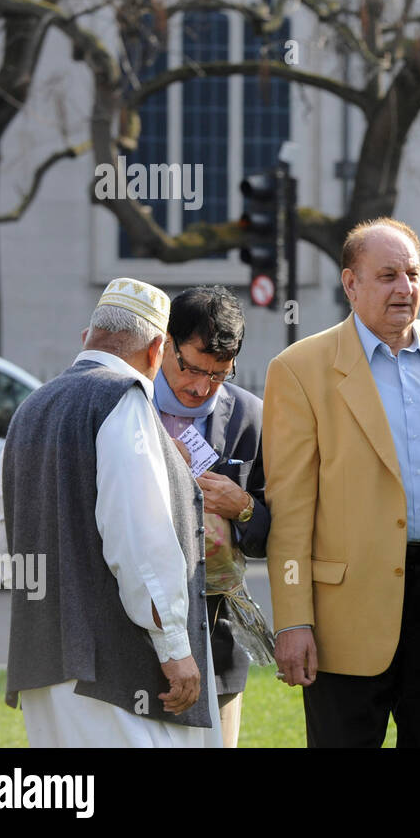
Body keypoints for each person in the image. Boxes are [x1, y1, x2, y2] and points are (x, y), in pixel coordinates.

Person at [263, 218, 420, 748]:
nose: (405, 289)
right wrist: (292, 621)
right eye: (389, 275)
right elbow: (291, 512)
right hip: (343, 620)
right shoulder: (300, 369)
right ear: (351, 284)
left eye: (413, 274)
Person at [0, 278, 219, 746]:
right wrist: (176, 649)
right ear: (157, 348)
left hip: (43, 665)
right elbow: (141, 537)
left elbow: (6, 539)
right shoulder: (123, 399)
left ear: (88, 337)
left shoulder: (29, 408)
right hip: (115, 674)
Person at [153, 285, 269, 748]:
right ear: (164, 343)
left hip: (216, 636)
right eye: (193, 368)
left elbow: (267, 537)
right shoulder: (125, 403)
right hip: (131, 630)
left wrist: (241, 507)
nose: (201, 387)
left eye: (218, 376)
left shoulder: (248, 416)